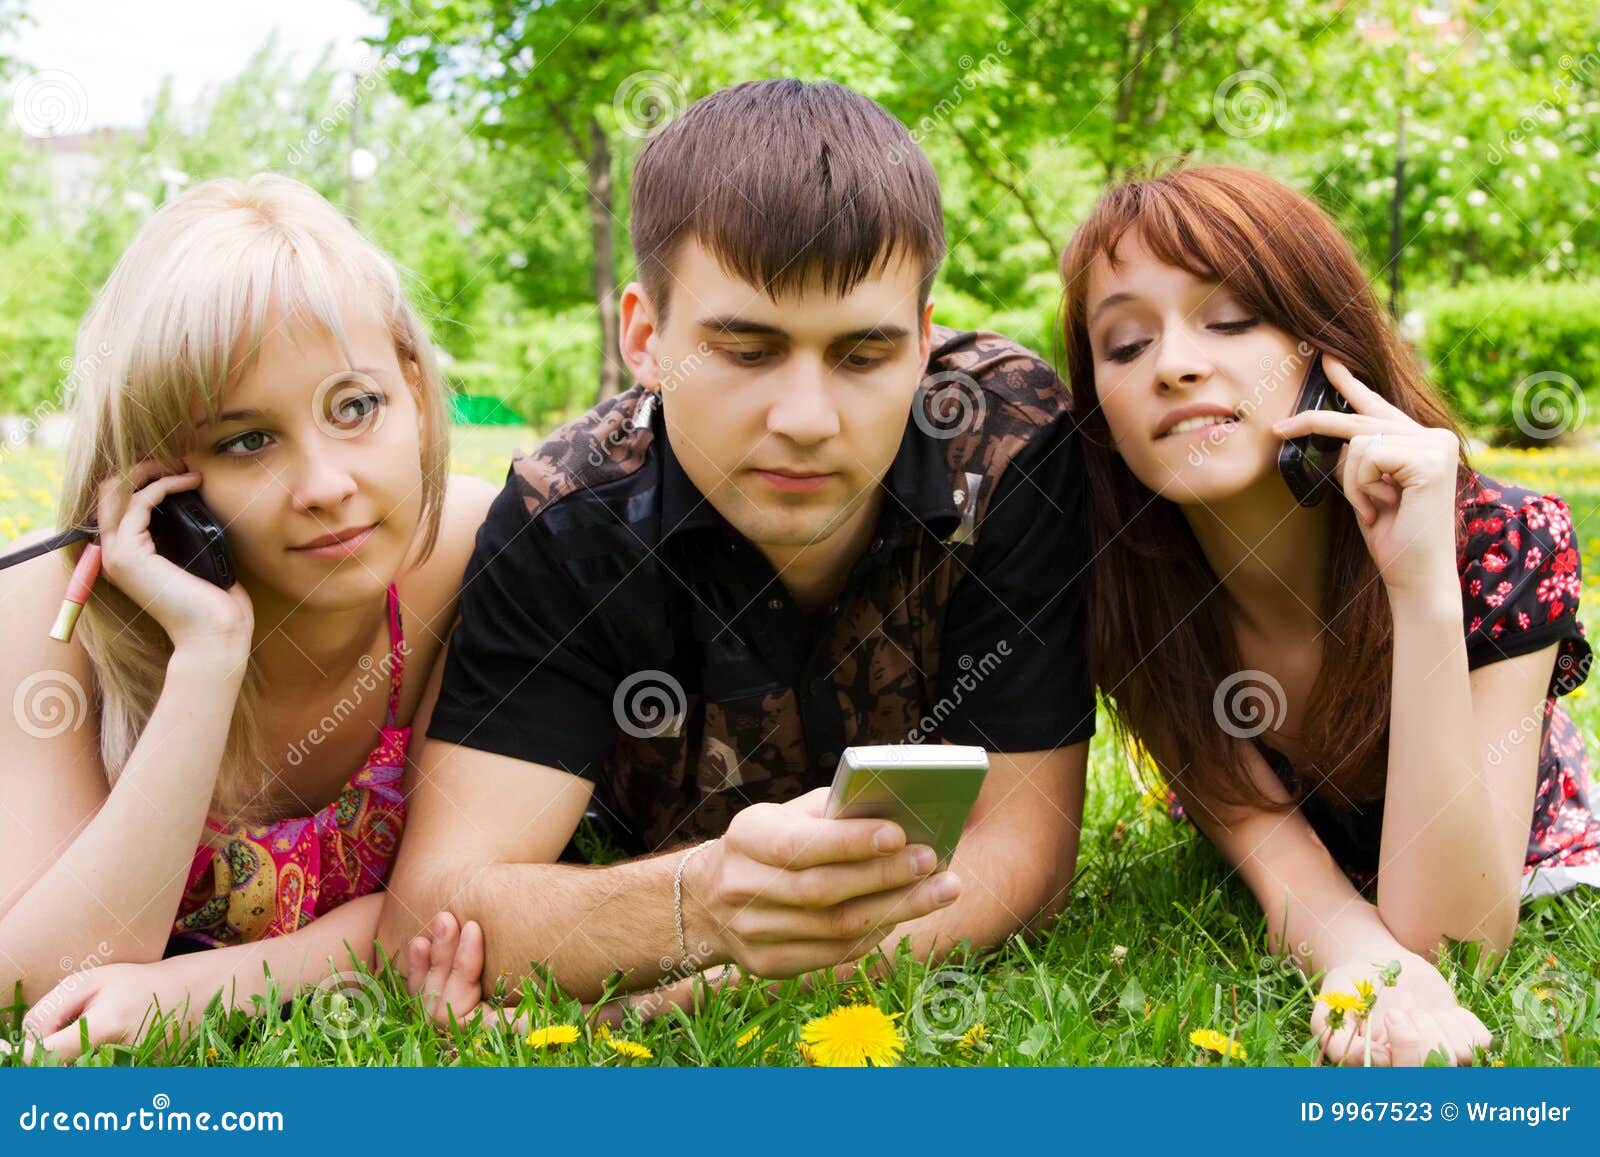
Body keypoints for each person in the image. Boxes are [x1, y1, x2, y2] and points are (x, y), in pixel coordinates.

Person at [379, 79, 1096, 1021]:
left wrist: (664, 1000)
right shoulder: (567, 520)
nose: (806, 419)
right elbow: (432, 915)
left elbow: (1024, 856)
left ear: (924, 344)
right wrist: (699, 899)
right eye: (748, 350)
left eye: (862, 354)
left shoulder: (1003, 450)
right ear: (645, 335)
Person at [1058, 164, 1598, 1066]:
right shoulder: (1122, 582)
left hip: (1511, 831)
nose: (1176, 363)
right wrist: (1362, 960)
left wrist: (1422, 587)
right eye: (1124, 345)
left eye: (1230, 321)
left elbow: (1454, 938)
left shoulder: (1502, 541)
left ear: (1328, 351)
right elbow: (1283, 863)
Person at [0, 174, 497, 1060]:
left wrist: (191, 993)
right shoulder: (50, 609)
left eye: (356, 406)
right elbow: (38, 991)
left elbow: (455, 904)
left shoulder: (469, 553)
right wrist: (207, 654)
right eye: (246, 440)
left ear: (415, 393)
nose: (326, 486)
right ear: (156, 478)